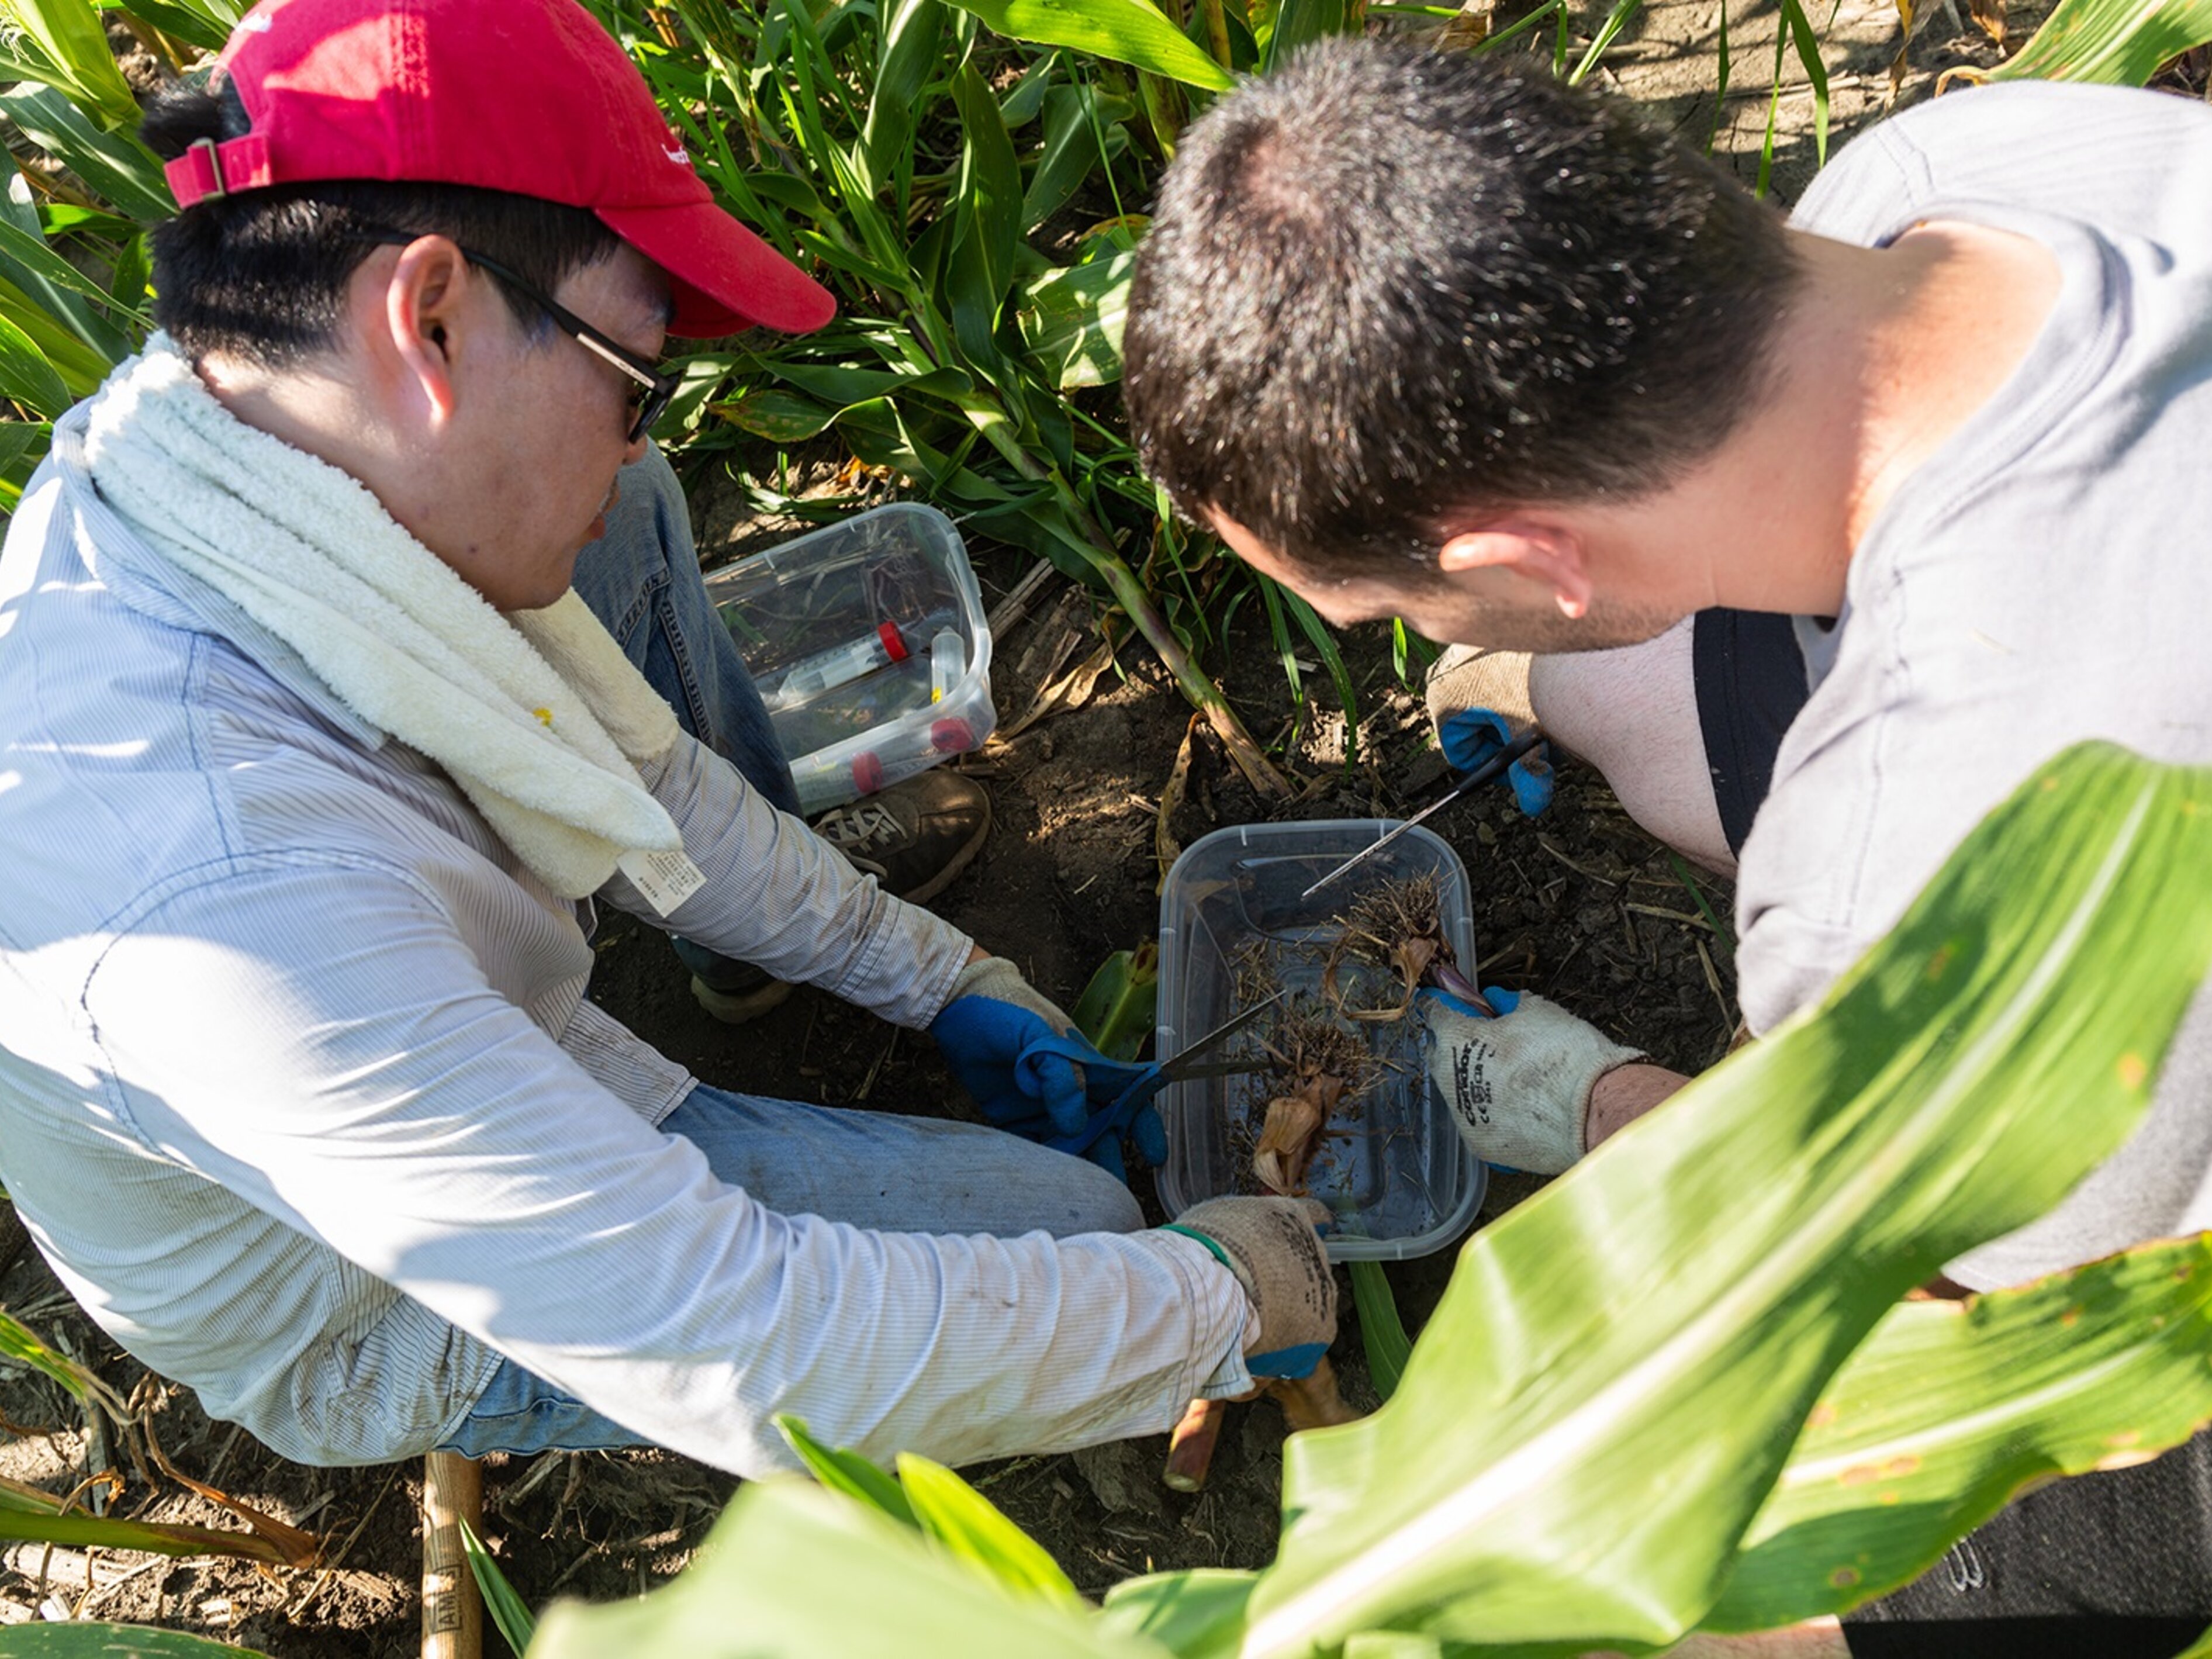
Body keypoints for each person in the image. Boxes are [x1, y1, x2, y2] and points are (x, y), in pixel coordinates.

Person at [0, 0, 1337, 1481]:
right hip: (369, 1291)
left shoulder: (238, 441)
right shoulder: (235, 919)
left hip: (417, 1015)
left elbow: (632, 767)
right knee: (1087, 1235)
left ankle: (736, 968)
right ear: (427, 317)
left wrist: (937, 979)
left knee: (612, 520)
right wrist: (1215, 1302)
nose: (646, 434)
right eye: (635, 382)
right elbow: (748, 1349)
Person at [1121, 37, 2212, 1658]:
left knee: (1714, 1590)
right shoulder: (1970, 167)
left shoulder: (1888, 880)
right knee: (1631, 696)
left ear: (1521, 552)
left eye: (1402, 605)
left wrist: (1610, 1108)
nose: (1413, 631)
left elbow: (1941, 1314)